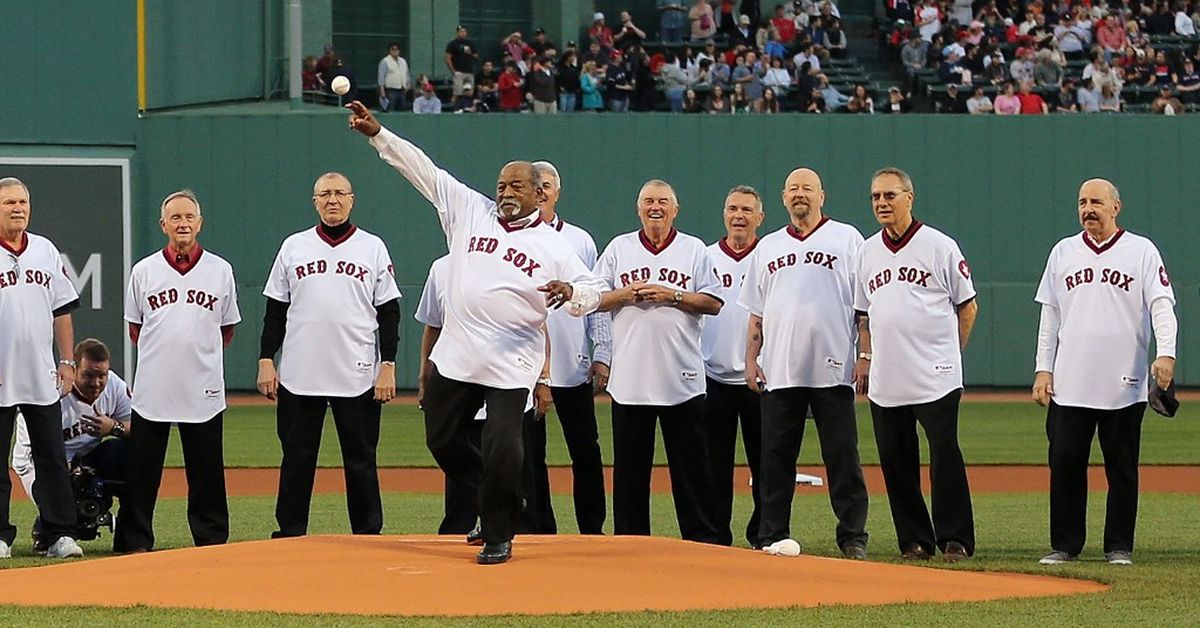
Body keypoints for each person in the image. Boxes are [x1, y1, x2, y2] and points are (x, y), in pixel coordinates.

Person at [347, 102, 604, 565]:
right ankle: (499, 498)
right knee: (441, 439)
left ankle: (498, 534)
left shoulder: (554, 245)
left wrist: (573, 292)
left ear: (539, 193)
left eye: (517, 186)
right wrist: (378, 135)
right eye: (502, 185)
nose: (506, 192)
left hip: (512, 359)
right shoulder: (471, 210)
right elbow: (422, 170)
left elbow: (595, 288)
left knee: (503, 444)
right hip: (459, 351)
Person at [1033, 179, 1177, 567]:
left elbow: (1162, 306)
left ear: (1116, 207)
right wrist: (1043, 369)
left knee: (1122, 468)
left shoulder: (1141, 251)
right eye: (1082, 202)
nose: (1088, 209)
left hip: (1123, 383)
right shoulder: (1063, 251)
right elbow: (1050, 315)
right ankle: (1065, 545)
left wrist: (1166, 354)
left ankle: (1118, 546)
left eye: (1096, 201)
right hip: (1070, 382)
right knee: (1065, 464)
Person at [257, 173, 400, 540]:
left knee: (361, 458)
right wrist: (266, 358)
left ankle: (367, 532)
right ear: (315, 201)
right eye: (324, 194)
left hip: (357, 372)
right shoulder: (294, 246)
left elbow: (389, 312)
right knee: (297, 456)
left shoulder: (372, 247)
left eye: (339, 193)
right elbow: (275, 310)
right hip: (300, 373)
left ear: (352, 199)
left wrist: (388, 364)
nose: (332, 200)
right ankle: (290, 531)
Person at [741, 169, 870, 559]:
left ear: (821, 196)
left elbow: (863, 308)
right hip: (780, 369)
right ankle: (772, 533)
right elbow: (756, 313)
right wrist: (750, 359)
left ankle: (853, 537)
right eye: (793, 189)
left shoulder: (847, 238)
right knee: (774, 459)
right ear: (783, 198)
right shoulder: (768, 247)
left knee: (842, 457)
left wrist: (864, 355)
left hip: (833, 368)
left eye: (807, 189)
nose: (800, 195)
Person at [855, 168, 979, 563]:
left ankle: (955, 539)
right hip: (887, 376)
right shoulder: (867, 251)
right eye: (876, 197)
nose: (881, 203)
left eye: (889, 195)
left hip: (935, 375)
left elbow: (968, 306)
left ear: (909, 197)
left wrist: (950, 354)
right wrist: (866, 357)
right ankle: (914, 540)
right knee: (896, 461)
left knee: (944, 454)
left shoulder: (939, 245)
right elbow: (864, 315)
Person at [594, 179, 724, 545]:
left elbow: (713, 302)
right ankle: (631, 542)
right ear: (639, 209)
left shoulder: (693, 249)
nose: (656, 207)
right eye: (649, 201)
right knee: (630, 471)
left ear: (675, 209)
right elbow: (595, 298)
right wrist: (627, 294)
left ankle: (701, 540)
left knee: (692, 469)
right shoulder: (619, 248)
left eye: (663, 201)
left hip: (681, 378)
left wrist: (673, 295)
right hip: (631, 379)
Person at [115, 190, 240, 554]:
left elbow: (227, 329)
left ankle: (211, 538)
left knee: (206, 470)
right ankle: (135, 540)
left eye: (189, 217)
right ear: (163, 225)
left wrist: (196, 354)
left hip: (202, 385)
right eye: (175, 218)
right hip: (154, 385)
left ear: (200, 224)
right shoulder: (144, 270)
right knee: (143, 471)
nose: (182, 224)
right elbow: (135, 328)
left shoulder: (220, 270)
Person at [0, 177, 85, 559]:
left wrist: (66, 361)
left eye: (23, 202)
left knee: (51, 456)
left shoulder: (45, 250)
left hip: (40, 373)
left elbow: (61, 310)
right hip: (1, 373)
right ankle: (0, 536)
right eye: (9, 203)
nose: (18, 208)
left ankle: (59, 534)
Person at [531, 162, 611, 535]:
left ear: (558, 192)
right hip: (526, 368)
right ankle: (539, 529)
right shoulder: (512, 237)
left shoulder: (579, 240)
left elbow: (596, 299)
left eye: (547, 185)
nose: (541, 191)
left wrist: (602, 354)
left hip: (573, 365)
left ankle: (592, 530)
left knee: (585, 451)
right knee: (530, 455)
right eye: (536, 185)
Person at [11, 339, 131, 551]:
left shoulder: (114, 386)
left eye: (101, 375)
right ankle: (48, 529)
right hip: (37, 462)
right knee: (68, 498)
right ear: (74, 370)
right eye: (88, 375)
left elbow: (139, 427)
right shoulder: (52, 392)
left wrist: (114, 427)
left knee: (129, 453)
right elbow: (35, 450)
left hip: (85, 459)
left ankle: (130, 537)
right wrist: (66, 477)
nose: (96, 382)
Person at [701, 185, 765, 548]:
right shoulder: (705, 257)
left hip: (760, 377)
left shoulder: (769, 256)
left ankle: (764, 533)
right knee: (714, 466)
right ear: (724, 214)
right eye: (732, 209)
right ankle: (715, 536)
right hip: (713, 377)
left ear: (760, 217)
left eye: (746, 210)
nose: (738, 216)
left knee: (766, 463)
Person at [445, 25, 479, 97]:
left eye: (465, 32)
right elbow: (447, 58)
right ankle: (455, 104)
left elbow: (476, 57)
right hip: (458, 72)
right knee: (458, 94)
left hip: (469, 72)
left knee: (470, 93)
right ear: (457, 33)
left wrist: (470, 53)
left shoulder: (470, 43)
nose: (463, 33)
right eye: (461, 32)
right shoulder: (452, 44)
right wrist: (453, 71)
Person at [377, 42, 410, 112]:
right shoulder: (385, 61)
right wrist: (382, 91)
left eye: (397, 49)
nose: (395, 51)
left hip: (402, 90)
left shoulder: (403, 61)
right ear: (389, 51)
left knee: (401, 110)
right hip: (390, 90)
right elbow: (381, 77)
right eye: (393, 49)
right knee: (390, 110)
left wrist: (408, 85)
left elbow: (406, 74)